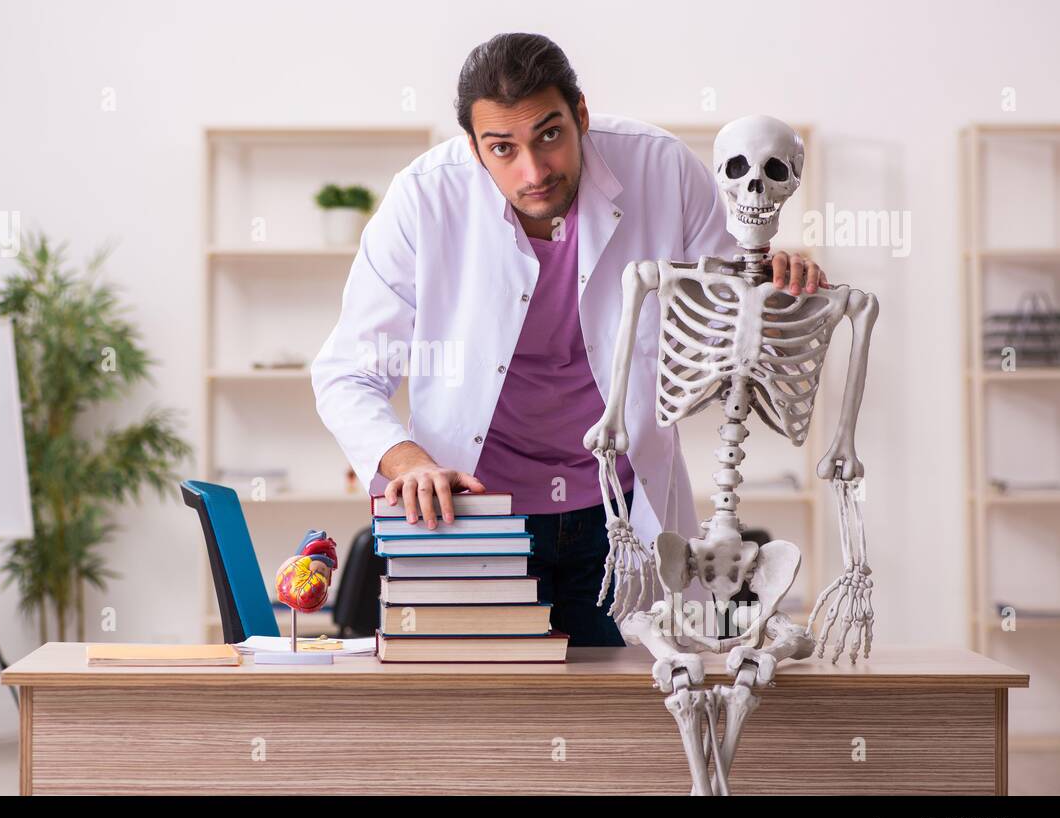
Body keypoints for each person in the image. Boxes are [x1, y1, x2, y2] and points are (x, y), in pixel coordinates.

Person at [311, 33, 826, 646]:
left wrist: (774, 283)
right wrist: (406, 460)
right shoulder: (424, 197)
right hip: (477, 516)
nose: (533, 171)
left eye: (549, 134)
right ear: (473, 147)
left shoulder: (661, 169)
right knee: (479, 697)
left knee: (632, 694)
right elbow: (348, 372)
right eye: (502, 148)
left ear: (580, 113)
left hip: (620, 517)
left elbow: (729, 317)